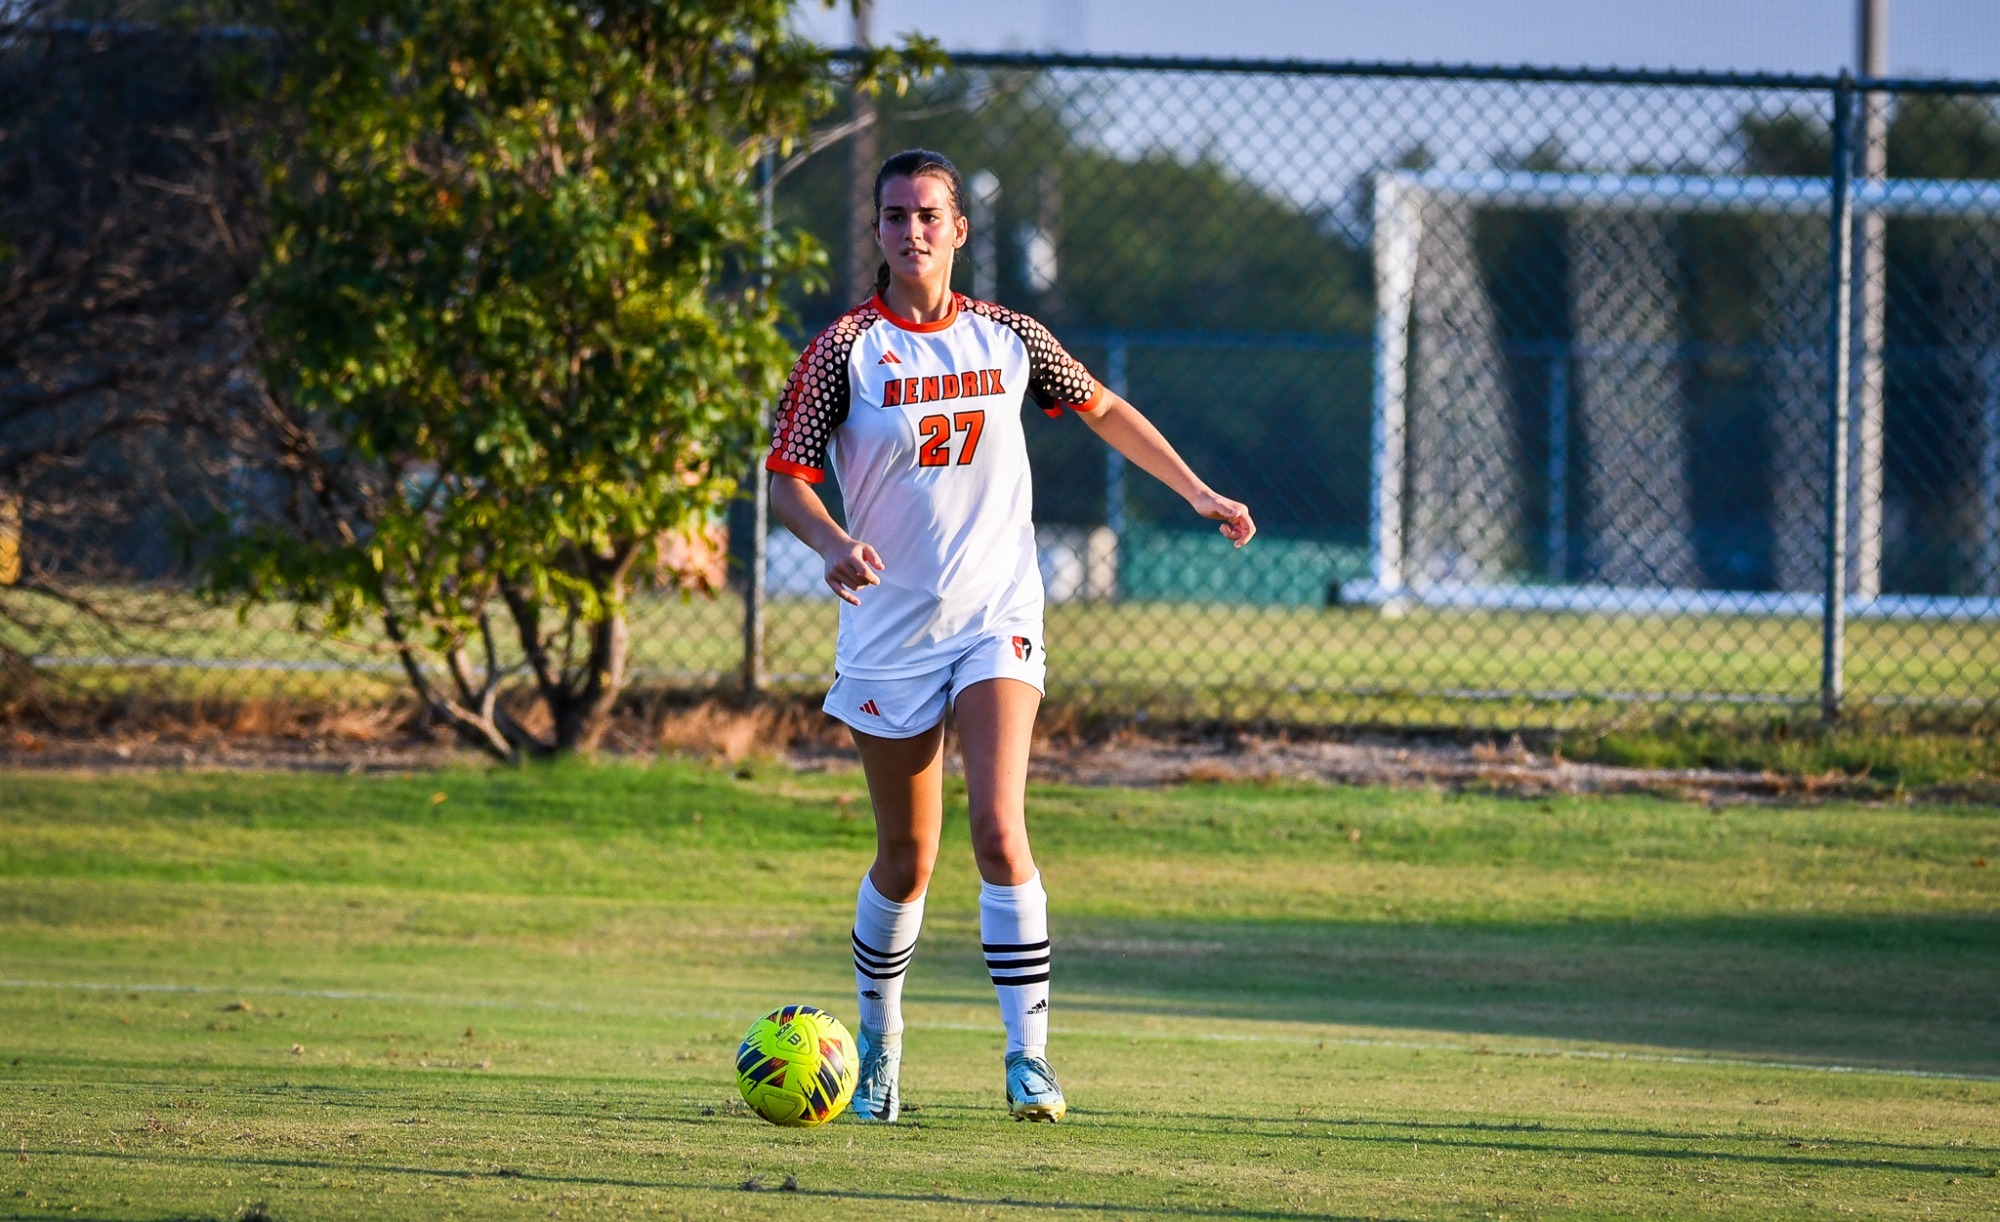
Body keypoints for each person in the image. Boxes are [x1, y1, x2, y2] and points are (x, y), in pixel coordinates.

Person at [766, 148, 1254, 1123]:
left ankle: (1027, 1060)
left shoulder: (1007, 336)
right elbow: (786, 478)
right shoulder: (844, 351)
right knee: (906, 858)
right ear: (877, 232)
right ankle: (878, 1052)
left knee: (998, 825)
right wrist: (829, 542)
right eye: (894, 214)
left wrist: (1195, 489)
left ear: (957, 230)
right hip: (889, 632)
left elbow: (1102, 410)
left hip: (996, 615)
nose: (911, 230)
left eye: (928, 214)